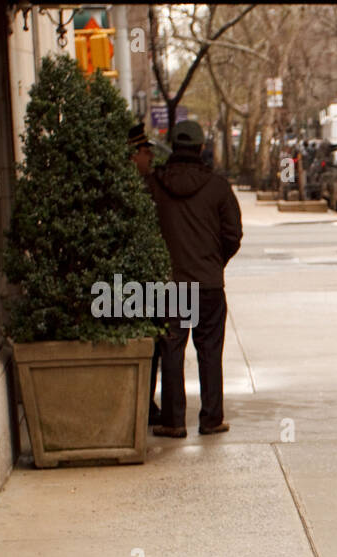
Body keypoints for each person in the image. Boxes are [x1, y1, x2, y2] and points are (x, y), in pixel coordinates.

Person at [149, 120, 242, 438]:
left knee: (171, 351)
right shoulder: (217, 186)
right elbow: (233, 234)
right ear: (202, 147)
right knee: (210, 351)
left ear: (172, 146)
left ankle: (173, 422)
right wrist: (215, 262)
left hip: (170, 284)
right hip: (208, 284)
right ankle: (211, 418)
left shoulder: (154, 184)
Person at [129, 122, 162, 426]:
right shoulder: (131, 190)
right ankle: (142, 402)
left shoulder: (149, 184)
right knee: (148, 339)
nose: (150, 155)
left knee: (156, 342)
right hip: (137, 283)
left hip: (152, 281)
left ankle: (147, 401)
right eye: (144, 150)